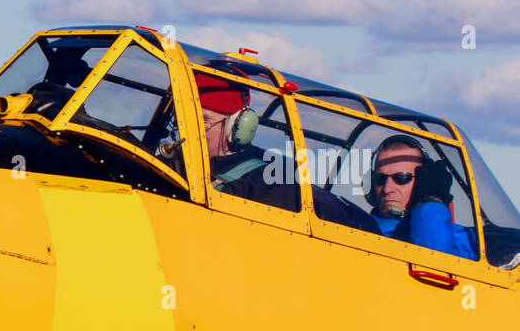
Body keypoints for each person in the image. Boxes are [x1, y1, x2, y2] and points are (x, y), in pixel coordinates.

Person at [197, 71, 379, 233]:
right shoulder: (177, 164)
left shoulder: (273, 181)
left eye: (205, 120)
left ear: (238, 126)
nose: (193, 128)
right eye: (189, 116)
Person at [367, 135, 478, 259]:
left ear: (422, 182)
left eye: (401, 178)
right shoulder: (357, 225)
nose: (387, 189)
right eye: (380, 179)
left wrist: (432, 201)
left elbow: (434, 262)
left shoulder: (462, 240)